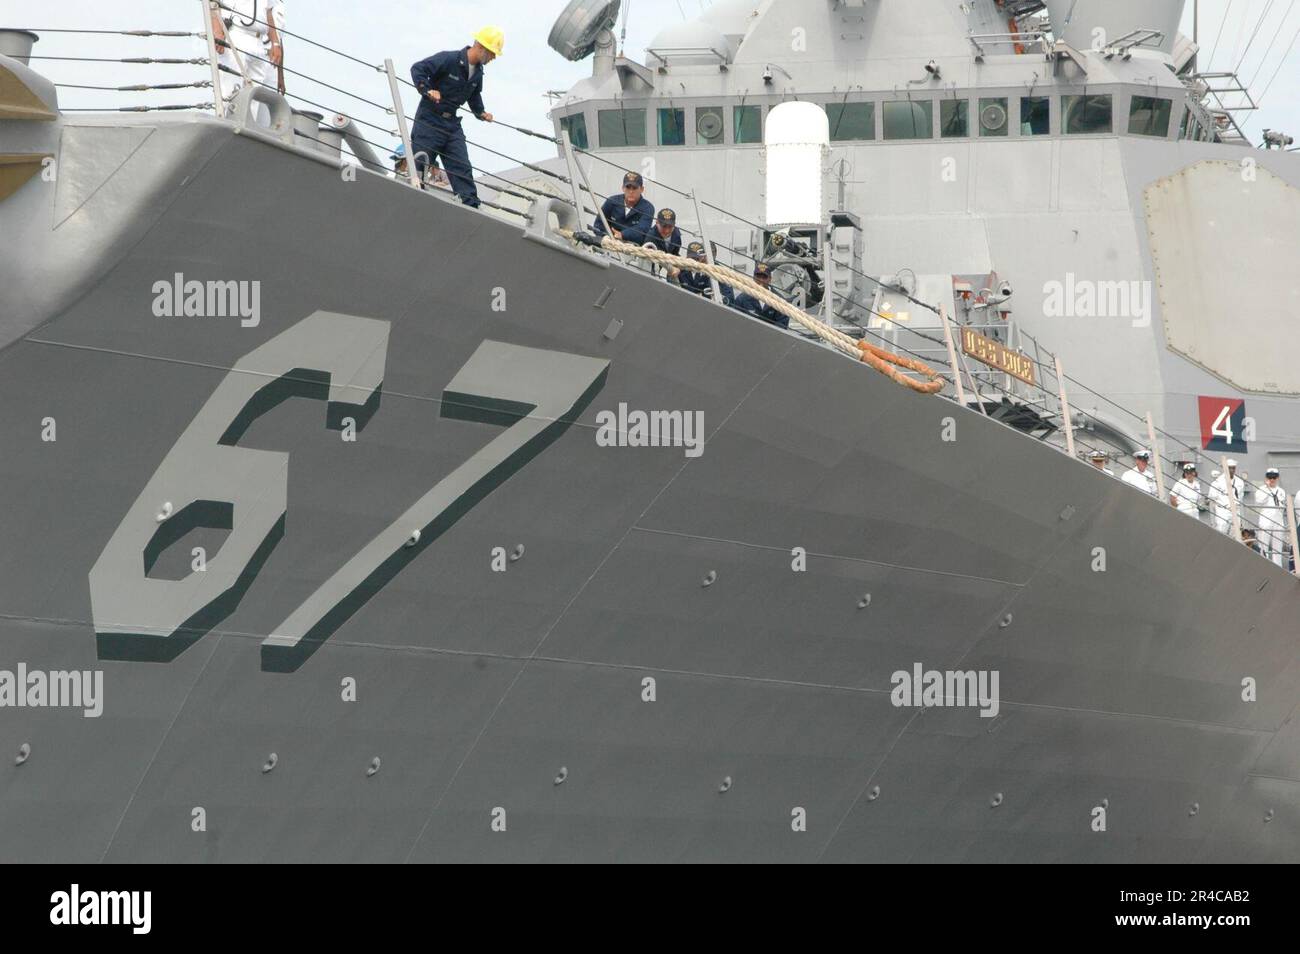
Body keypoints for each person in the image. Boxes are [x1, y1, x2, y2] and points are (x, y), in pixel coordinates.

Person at [410, 28, 502, 208]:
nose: (494, 58)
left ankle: (471, 208)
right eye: (492, 53)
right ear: (480, 47)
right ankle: (414, 202)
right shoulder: (449, 59)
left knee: (462, 167)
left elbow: (474, 95)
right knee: (419, 164)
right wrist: (427, 89)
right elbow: (418, 68)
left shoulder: (478, 72)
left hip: (451, 125)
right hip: (430, 120)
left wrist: (481, 112)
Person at [210, 0, 285, 125]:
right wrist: (217, 32)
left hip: (259, 41)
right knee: (230, 90)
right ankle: (223, 127)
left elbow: (269, 11)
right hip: (238, 34)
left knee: (254, 97)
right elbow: (212, 3)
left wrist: (275, 42)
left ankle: (247, 132)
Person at [593, 172, 655, 243]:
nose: (631, 191)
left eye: (634, 188)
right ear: (623, 188)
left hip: (633, 248)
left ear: (642, 189)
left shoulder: (648, 208)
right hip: (608, 243)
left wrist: (622, 235)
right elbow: (598, 224)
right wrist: (608, 237)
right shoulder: (612, 202)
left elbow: (642, 229)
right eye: (628, 187)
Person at [733, 263, 789, 328]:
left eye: (764, 277)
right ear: (753, 277)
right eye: (758, 276)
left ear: (770, 279)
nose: (761, 280)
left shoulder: (779, 300)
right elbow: (736, 322)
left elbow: (782, 324)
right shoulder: (742, 299)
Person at [1253, 468, 1288, 567]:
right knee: (1263, 544)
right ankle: (1264, 565)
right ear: (1266, 477)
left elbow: (1282, 506)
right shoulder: (1261, 489)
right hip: (1266, 520)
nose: (1272, 479)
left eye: (1274, 477)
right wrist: (1267, 489)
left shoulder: (1281, 491)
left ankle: (1278, 566)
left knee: (1278, 546)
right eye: (1270, 477)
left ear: (1277, 478)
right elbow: (1259, 501)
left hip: (1278, 520)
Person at [1209, 459, 1245, 535]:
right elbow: (1212, 497)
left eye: (1233, 468)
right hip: (1223, 511)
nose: (1231, 470)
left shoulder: (1240, 482)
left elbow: (1240, 497)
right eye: (1229, 468)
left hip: (1235, 510)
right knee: (1221, 532)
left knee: (1236, 534)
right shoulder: (1217, 482)